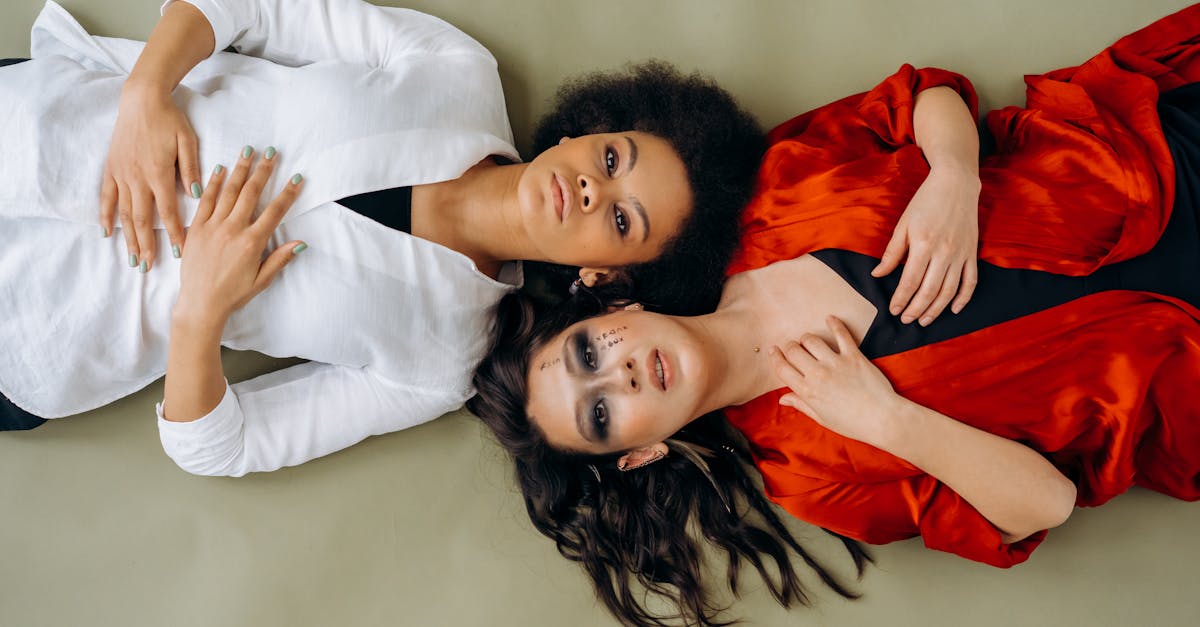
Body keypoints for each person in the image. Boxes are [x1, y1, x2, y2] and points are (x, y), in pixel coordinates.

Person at [468, 5, 1200, 626]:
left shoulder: (769, 194)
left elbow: (922, 94)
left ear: (612, 307)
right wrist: (887, 420)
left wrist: (953, 175)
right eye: (600, 415)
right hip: (1179, 362)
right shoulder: (812, 477)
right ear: (640, 452)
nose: (618, 376)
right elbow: (1046, 501)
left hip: (1155, 153)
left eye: (588, 354)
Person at [0, 0, 768, 476]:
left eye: (623, 220)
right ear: (591, 130)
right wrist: (146, 91)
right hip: (38, 129)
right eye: (612, 158)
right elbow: (254, 7)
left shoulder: (440, 366)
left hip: (44, 333)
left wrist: (198, 316)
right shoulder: (459, 70)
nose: (596, 189)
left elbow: (220, 448)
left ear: (606, 276)